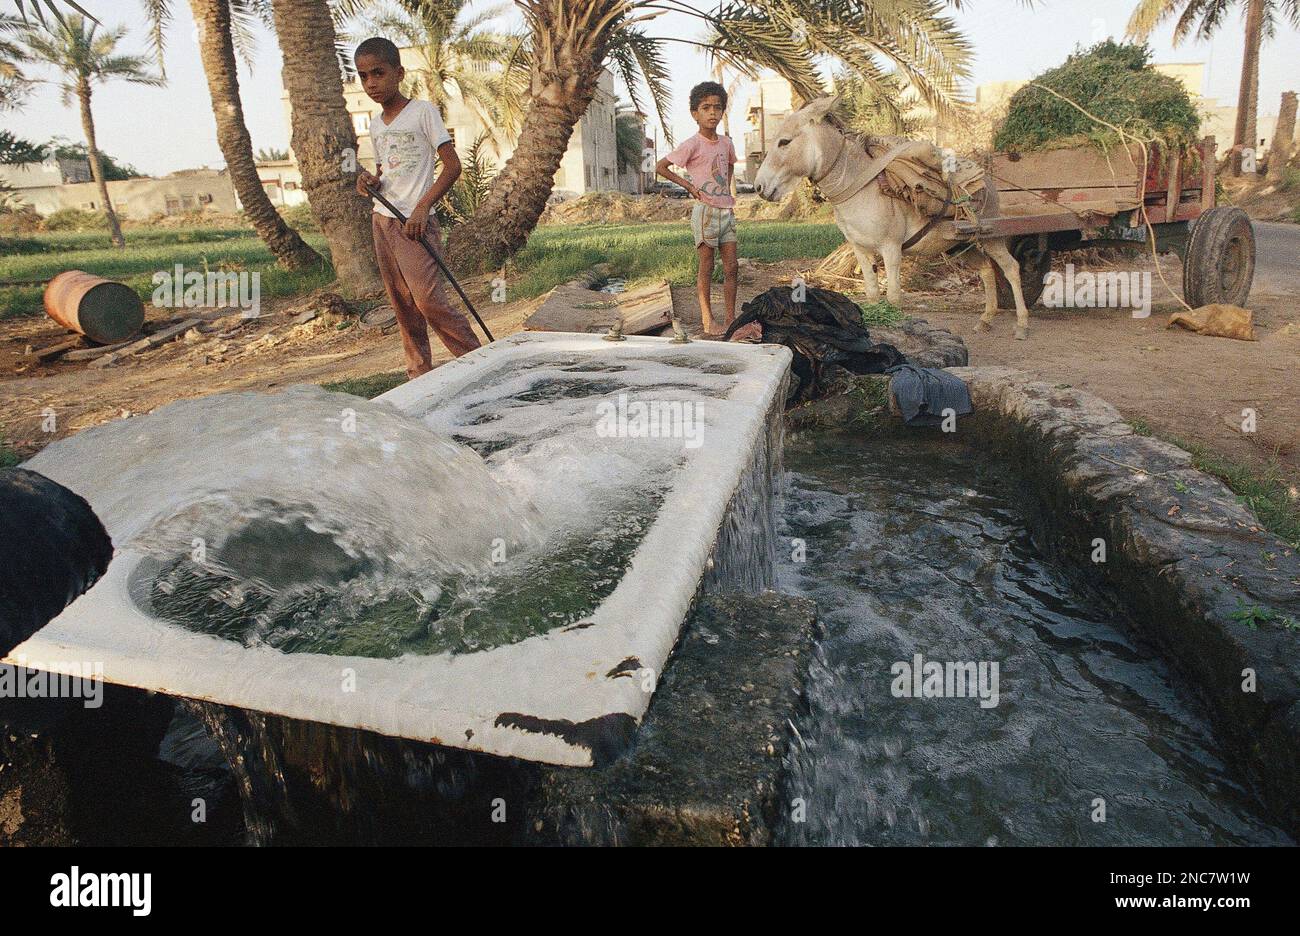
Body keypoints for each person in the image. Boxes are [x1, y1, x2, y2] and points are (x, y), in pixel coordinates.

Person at [353, 37, 481, 378]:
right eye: (363, 76)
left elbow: (452, 166)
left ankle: (479, 364)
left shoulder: (423, 112)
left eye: (378, 73)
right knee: (403, 304)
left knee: (428, 301)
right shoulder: (377, 124)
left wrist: (423, 208)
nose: (371, 83)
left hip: (416, 222)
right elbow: (386, 172)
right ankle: (419, 376)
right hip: (383, 221)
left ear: (399, 73)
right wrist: (370, 182)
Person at [656, 81, 761, 341]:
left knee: (732, 267)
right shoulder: (692, 144)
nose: (712, 113)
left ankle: (730, 319)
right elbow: (661, 167)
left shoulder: (726, 143)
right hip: (705, 213)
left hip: (726, 212)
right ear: (695, 113)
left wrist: (726, 196)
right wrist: (689, 186)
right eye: (705, 108)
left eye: (717, 107)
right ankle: (707, 319)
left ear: (723, 111)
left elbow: (727, 170)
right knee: (706, 266)